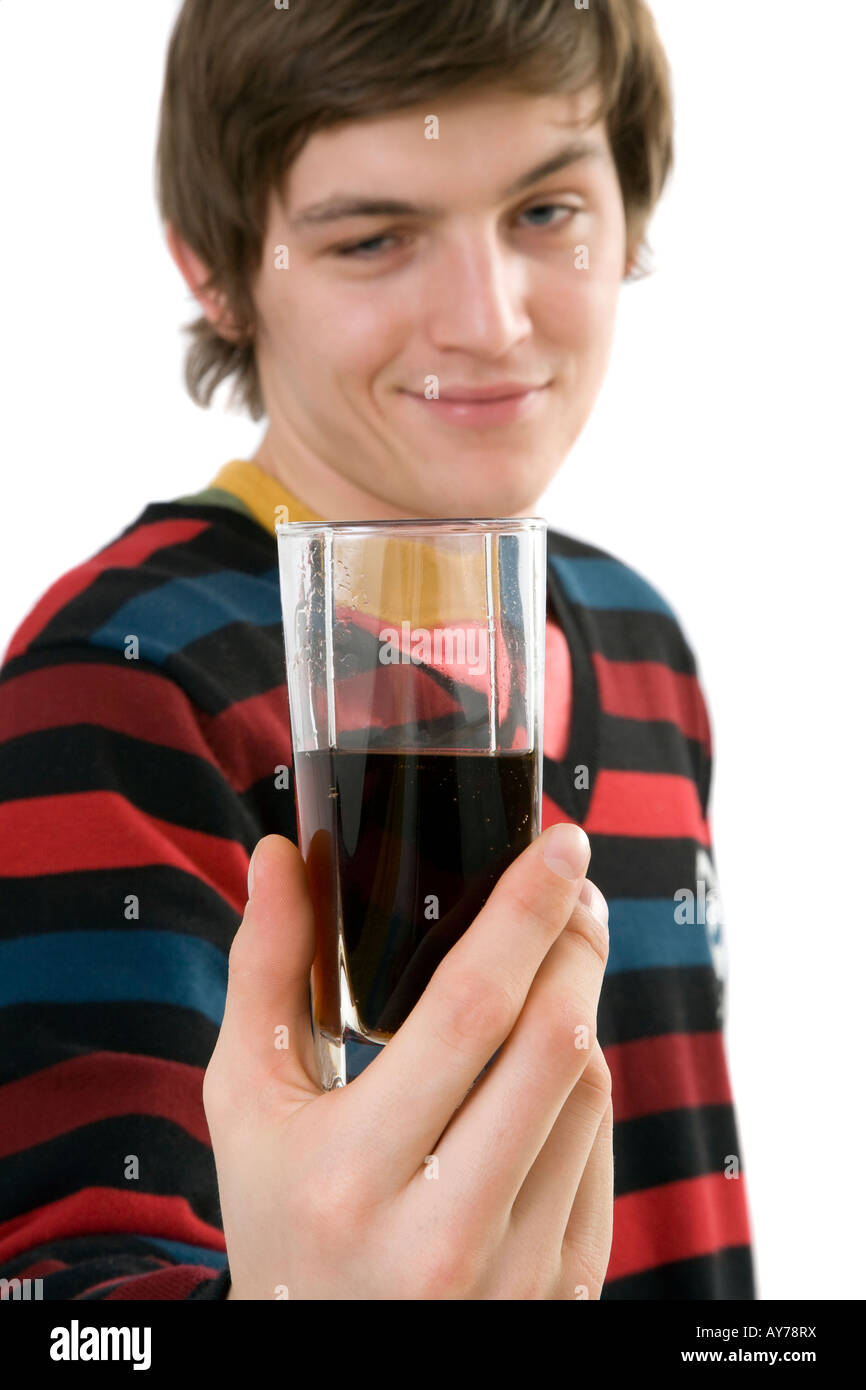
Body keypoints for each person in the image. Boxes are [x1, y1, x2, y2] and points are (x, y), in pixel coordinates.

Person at [0, 0, 755, 1299]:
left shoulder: (637, 637)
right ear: (216, 272)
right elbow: (63, 1304)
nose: (491, 319)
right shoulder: (126, 682)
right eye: (372, 236)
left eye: (544, 211)